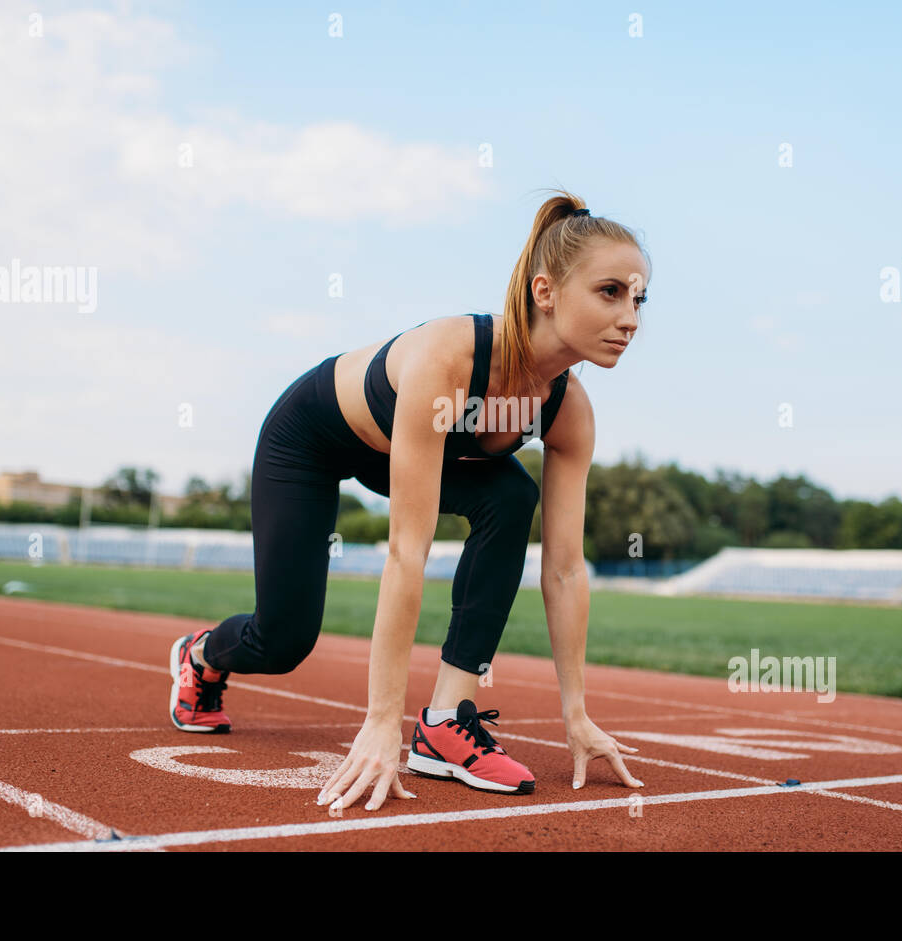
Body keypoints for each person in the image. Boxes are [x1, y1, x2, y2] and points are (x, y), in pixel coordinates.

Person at [167, 188, 651, 813]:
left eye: (639, 298)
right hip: (312, 440)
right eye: (610, 292)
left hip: (408, 451)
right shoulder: (451, 357)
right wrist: (378, 721)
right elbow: (406, 553)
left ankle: (446, 719)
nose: (631, 317)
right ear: (546, 291)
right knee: (282, 641)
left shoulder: (568, 411)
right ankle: (202, 655)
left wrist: (577, 715)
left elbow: (563, 568)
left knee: (510, 494)